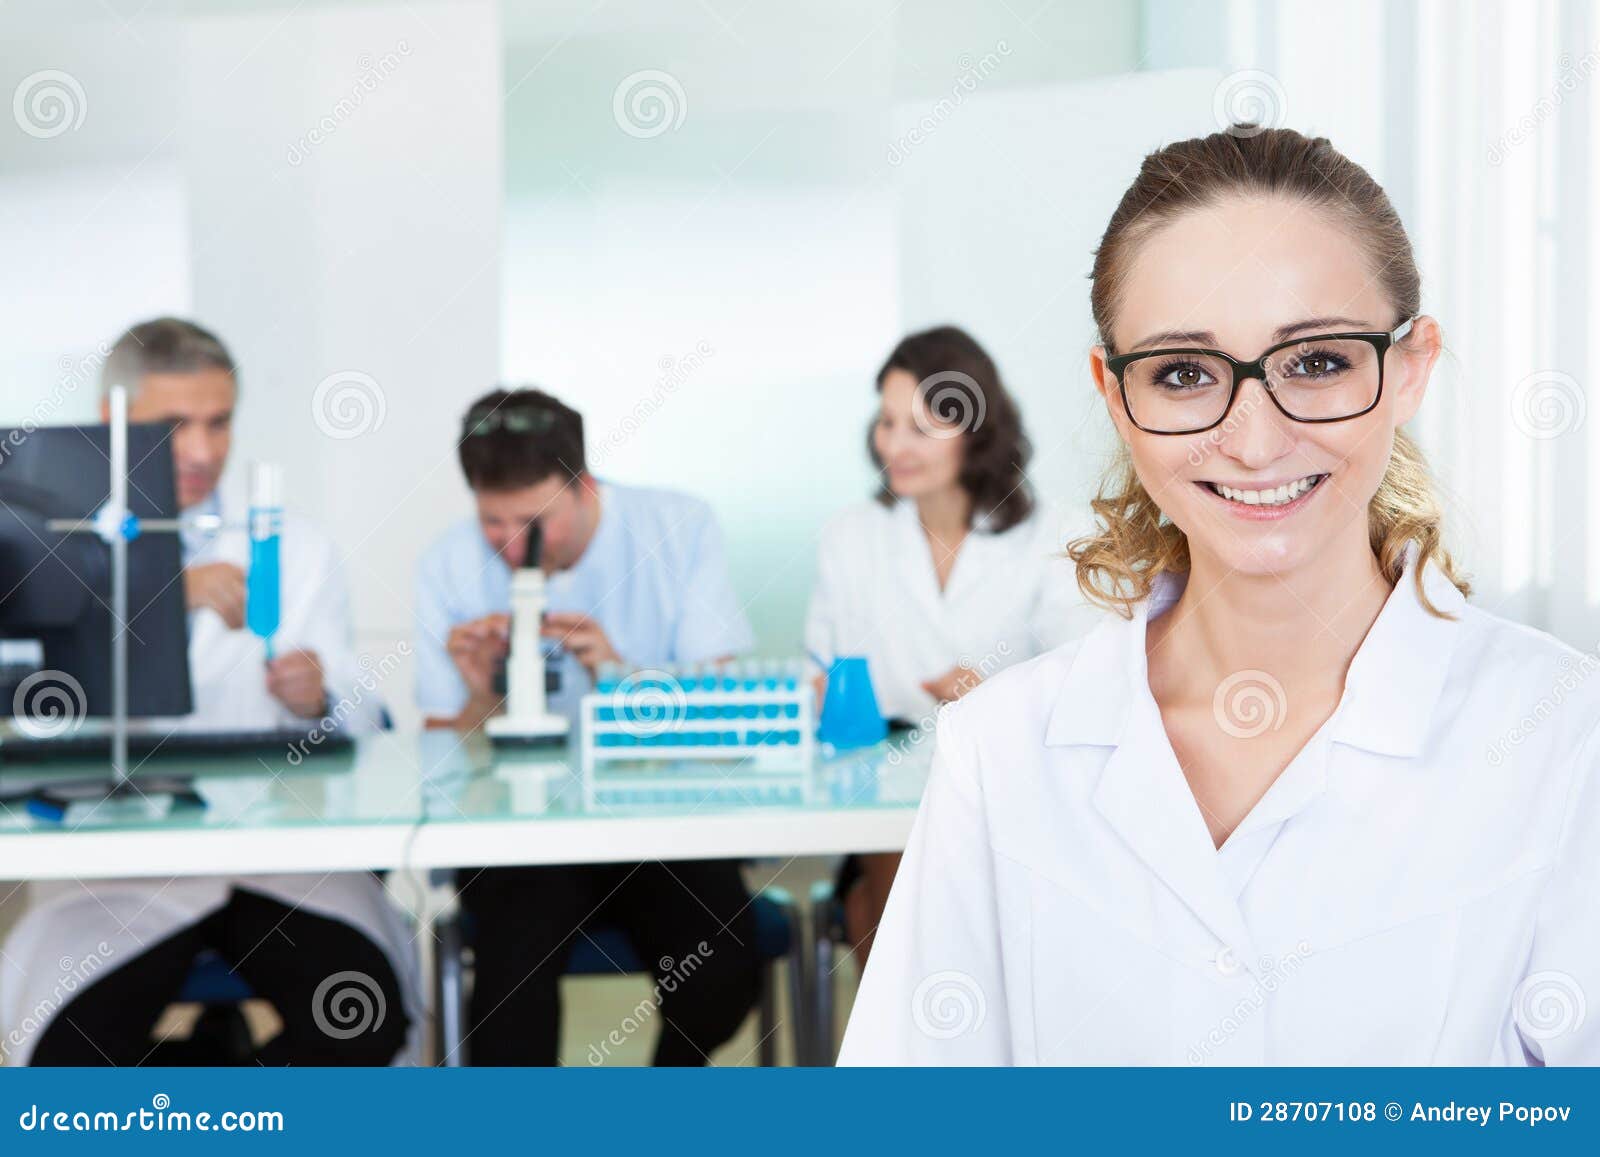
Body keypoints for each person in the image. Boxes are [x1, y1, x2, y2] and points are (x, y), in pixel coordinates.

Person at [839, 127, 1600, 1065]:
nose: (1252, 439)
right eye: (1185, 373)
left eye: (1316, 361)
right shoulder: (1000, 755)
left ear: (1409, 368)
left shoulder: (1563, 736)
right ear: (1114, 395)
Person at [0, 318, 418, 1066]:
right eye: (175, 424)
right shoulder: (42, 545)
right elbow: (27, 700)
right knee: (69, 1051)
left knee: (362, 1016)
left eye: (219, 422)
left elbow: (365, 709)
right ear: (112, 421)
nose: (201, 450)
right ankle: (213, 1077)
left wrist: (317, 695)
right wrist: (154, 594)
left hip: (276, 859)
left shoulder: (294, 545)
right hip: (121, 869)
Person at [414, 387, 761, 1065]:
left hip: (658, 823)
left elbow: (723, 720)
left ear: (584, 485)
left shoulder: (678, 528)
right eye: (494, 522)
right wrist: (483, 693)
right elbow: (441, 750)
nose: (515, 544)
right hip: (523, 838)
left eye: (533, 520)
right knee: (510, 996)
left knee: (720, 969)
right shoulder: (448, 563)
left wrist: (621, 678)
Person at [805, 325, 1093, 966]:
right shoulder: (851, 537)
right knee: (899, 911)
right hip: (888, 791)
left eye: (921, 426)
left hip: (1020, 789)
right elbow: (824, 678)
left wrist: (993, 699)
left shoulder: (1056, 534)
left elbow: (1085, 684)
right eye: (886, 423)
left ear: (977, 431)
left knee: (1001, 929)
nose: (895, 446)